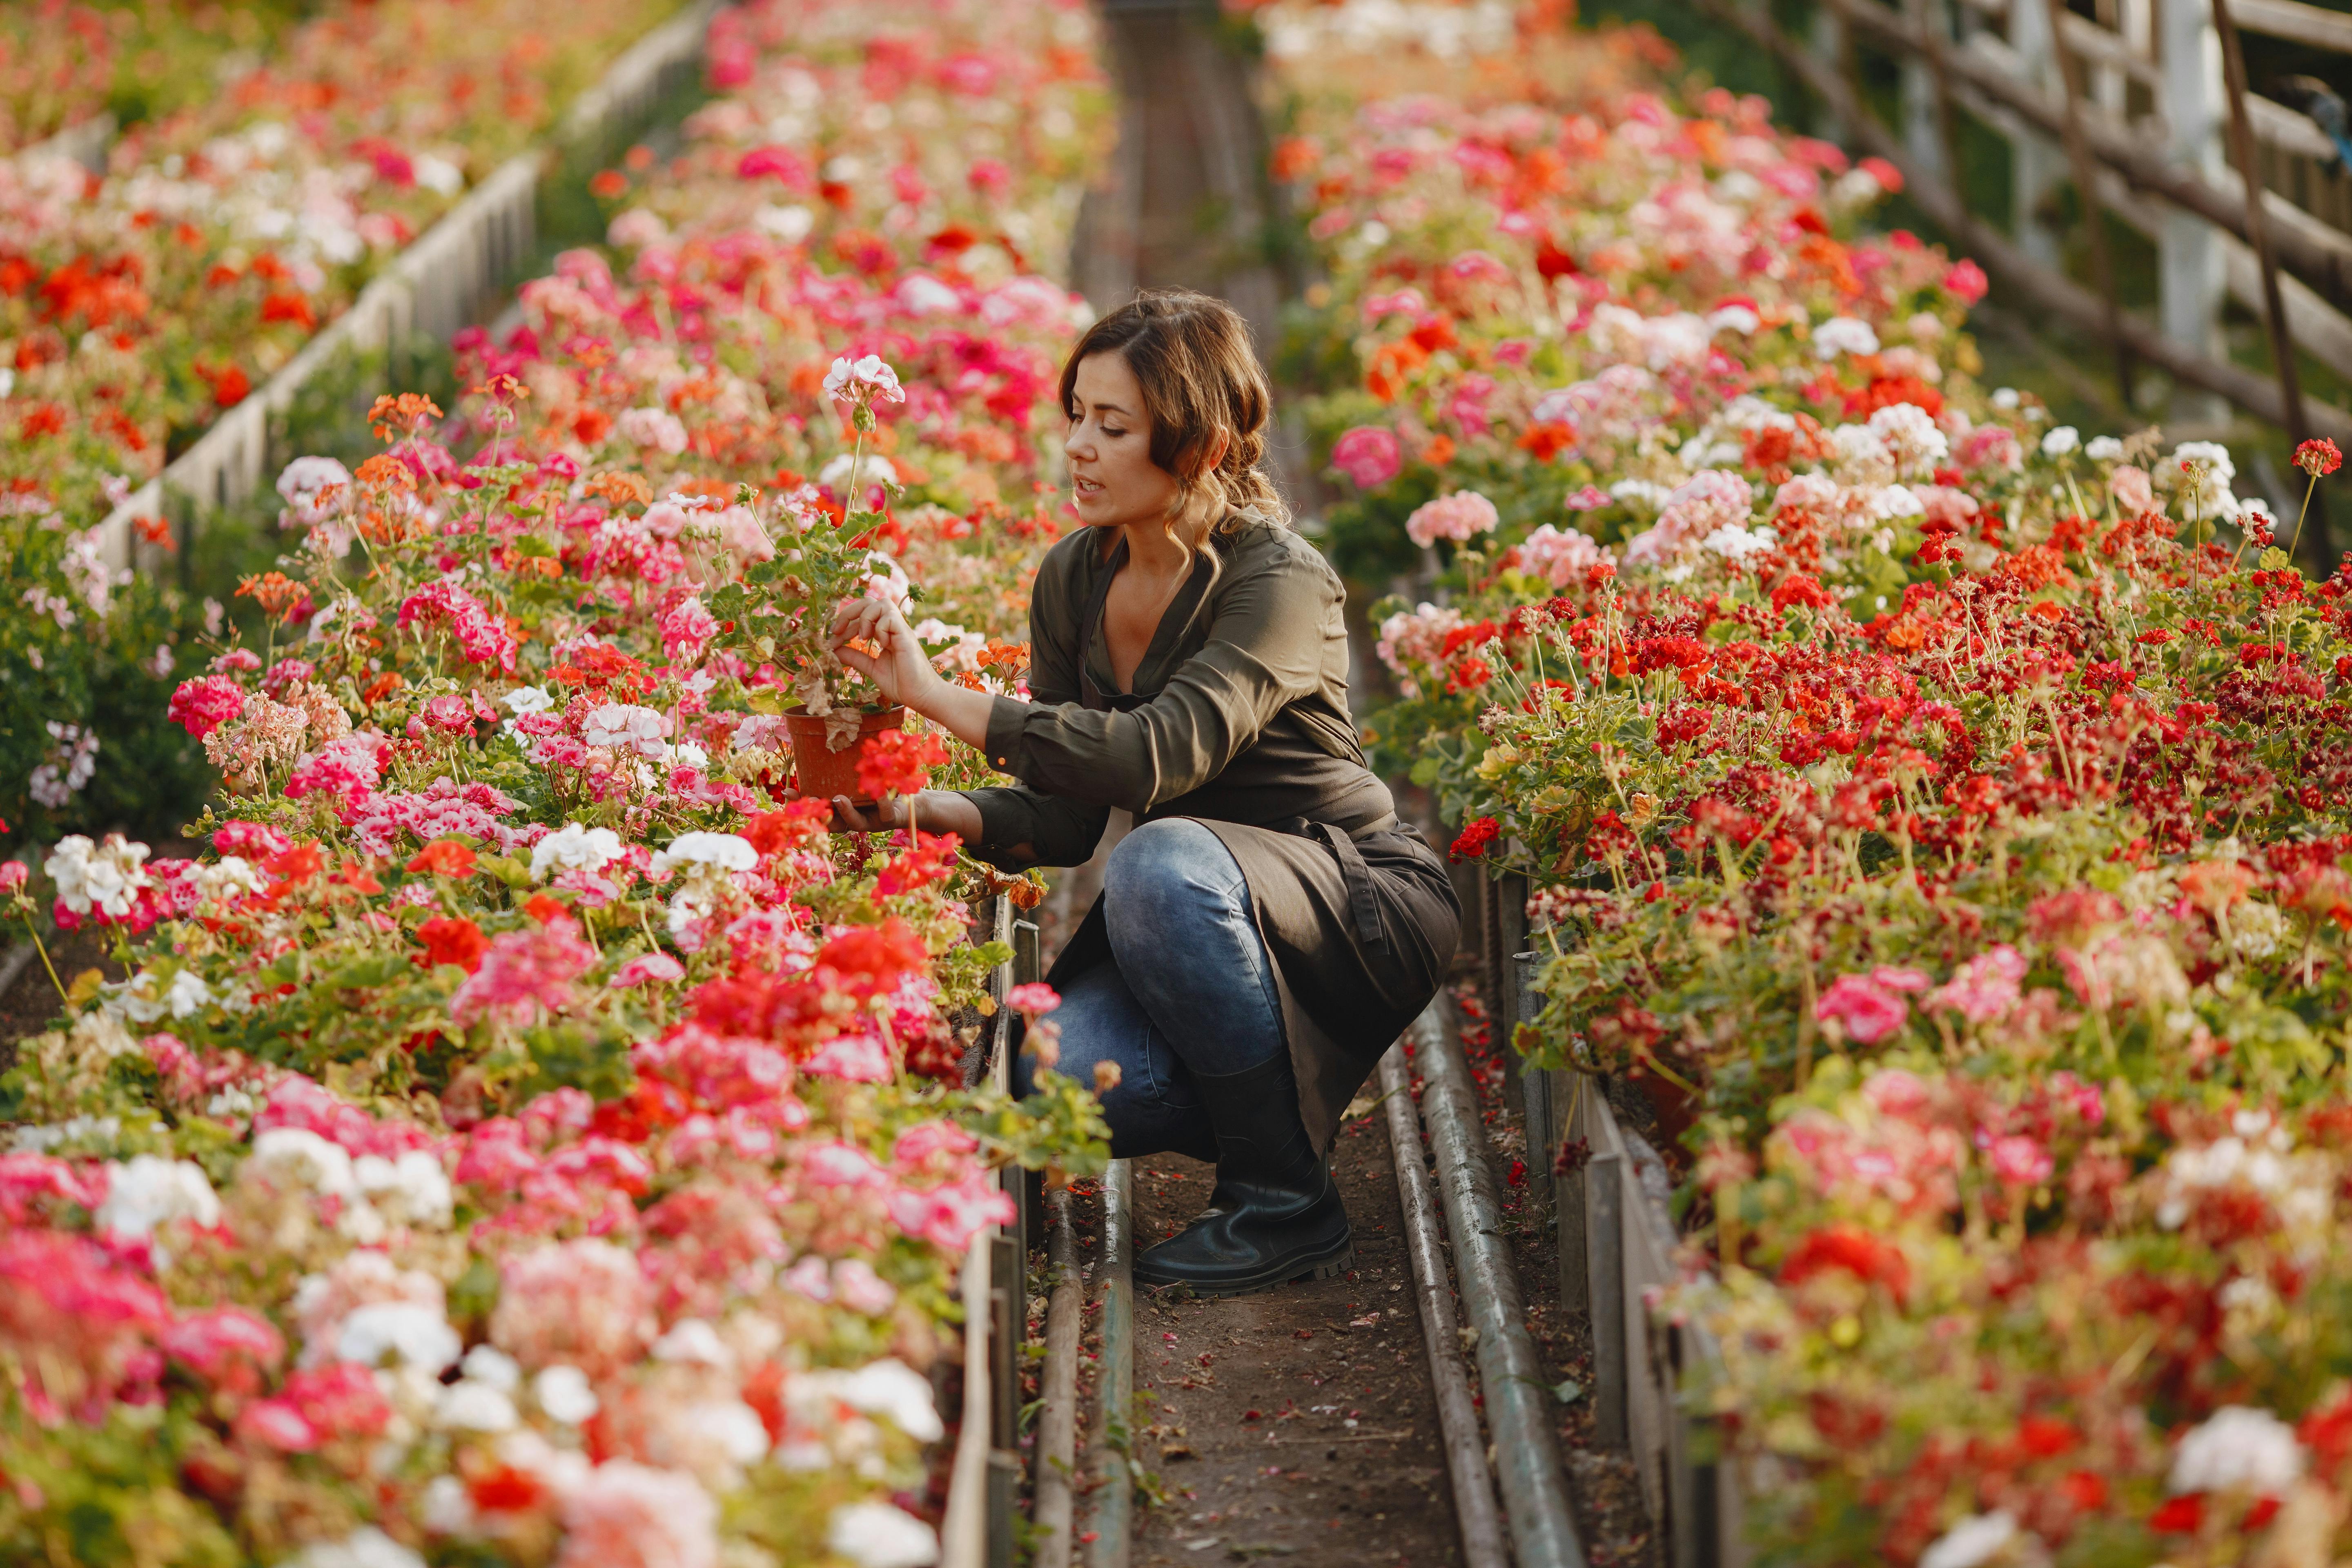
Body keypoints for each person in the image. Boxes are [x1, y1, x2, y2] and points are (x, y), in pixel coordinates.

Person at [826, 289, 1460, 1296]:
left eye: (1114, 426)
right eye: (1075, 414)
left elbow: (1153, 758)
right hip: (1199, 922)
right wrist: (932, 813)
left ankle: (1283, 1202)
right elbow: (1071, 818)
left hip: (1350, 906)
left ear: (1204, 446)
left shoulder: (1278, 582)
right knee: (1040, 1082)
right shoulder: (1074, 579)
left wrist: (938, 698)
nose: (1078, 446)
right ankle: (1264, 1084)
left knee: (1157, 858)